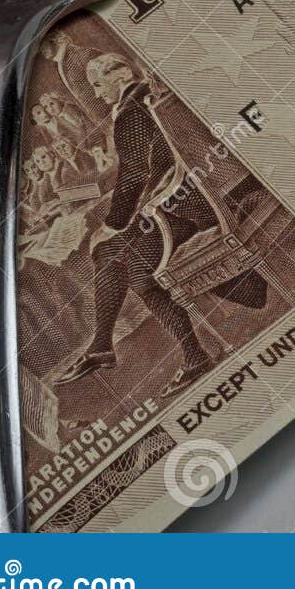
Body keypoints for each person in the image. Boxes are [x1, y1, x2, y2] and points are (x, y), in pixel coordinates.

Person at [54, 54, 217, 396]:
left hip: (191, 206)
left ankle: (108, 347)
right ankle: (111, 347)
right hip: (201, 192)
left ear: (121, 74)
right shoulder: (151, 96)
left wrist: (112, 224)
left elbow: (136, 174)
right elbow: (151, 164)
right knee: (123, 263)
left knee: (113, 255)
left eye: (99, 85)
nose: (98, 95)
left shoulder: (130, 113)